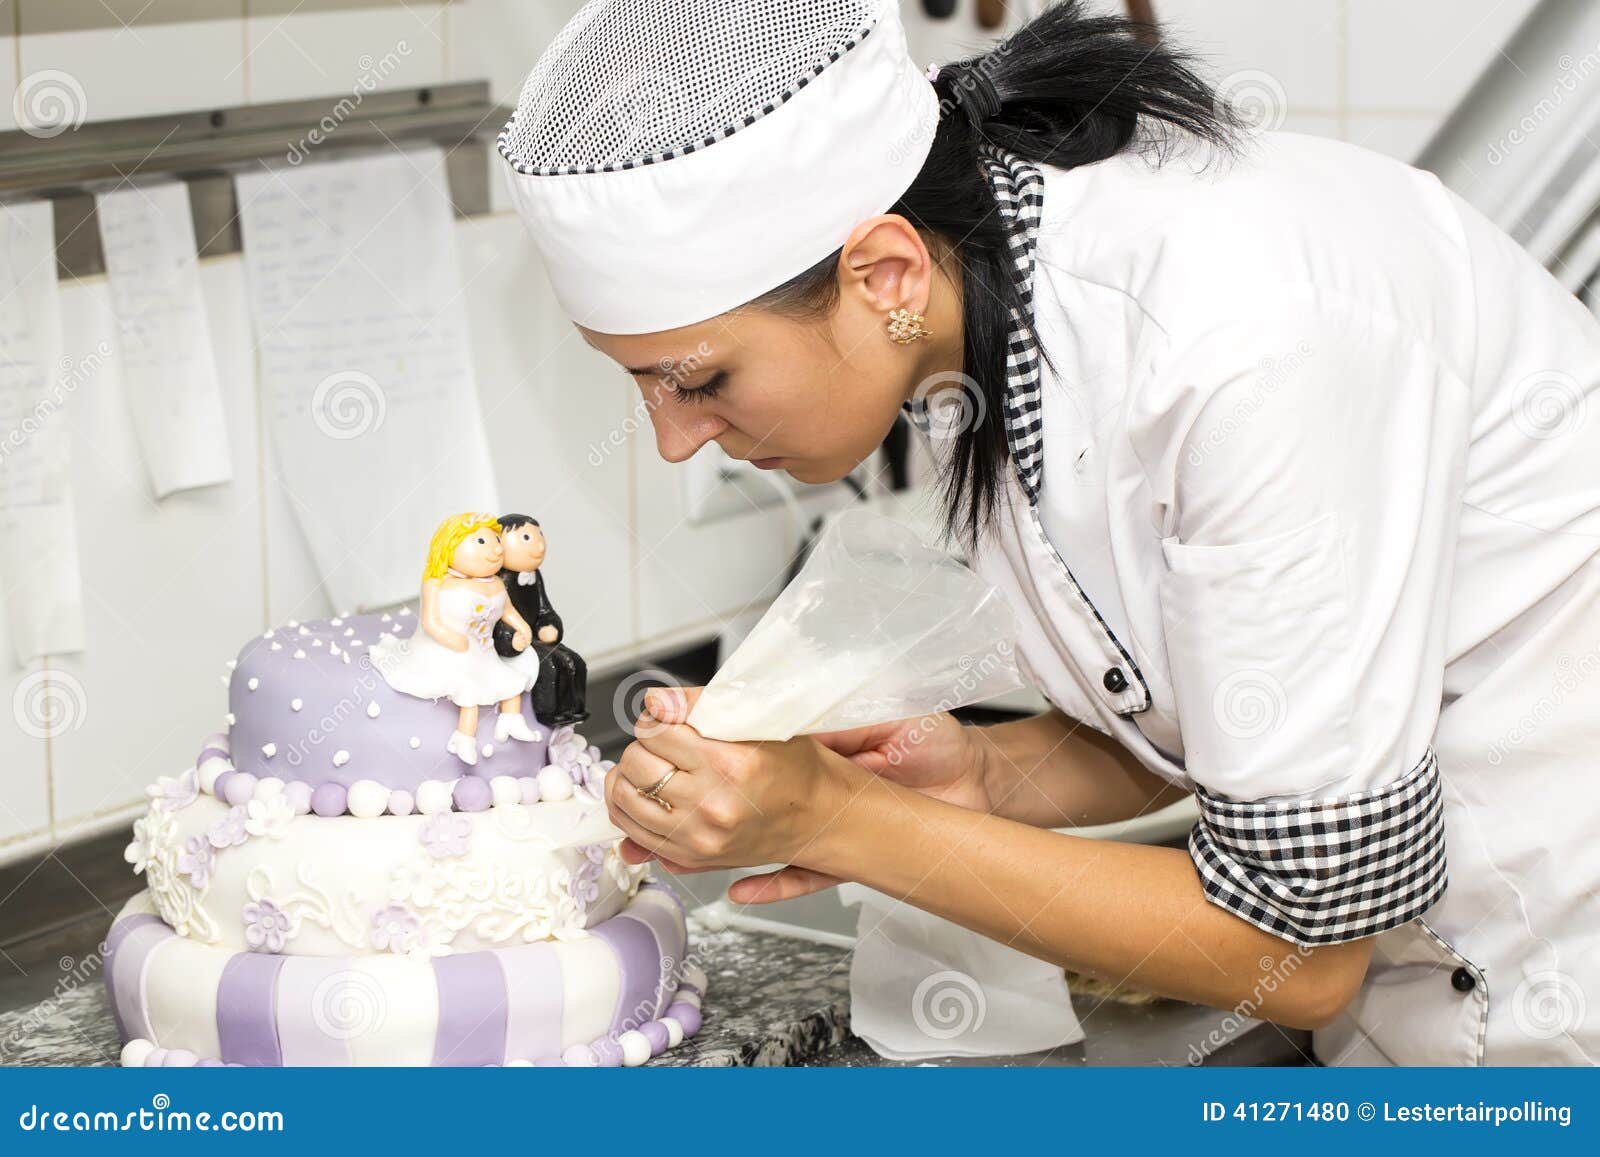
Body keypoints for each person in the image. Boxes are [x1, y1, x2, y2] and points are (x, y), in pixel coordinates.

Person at [498, 0, 1600, 1064]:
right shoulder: (968, 315)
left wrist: (838, 818)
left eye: (700, 381)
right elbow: (1238, 721)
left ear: (880, 272)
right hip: (1423, 993)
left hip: (1554, 977)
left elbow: (1296, 948)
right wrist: (982, 764)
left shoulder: (1242, 340)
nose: (676, 442)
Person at [370, 512, 539, 766]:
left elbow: (507, 610)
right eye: (481, 542)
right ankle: (463, 739)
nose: (494, 548)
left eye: (495, 539)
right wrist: (449, 637)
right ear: (449, 545)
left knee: (509, 681)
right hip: (449, 652)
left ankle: (511, 722)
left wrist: (522, 627)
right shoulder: (436, 582)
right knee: (468, 692)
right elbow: (430, 621)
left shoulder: (495, 584)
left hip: (483, 650)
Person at [493, 513, 589, 725]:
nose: (539, 546)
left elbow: (544, 607)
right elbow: (495, 619)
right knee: (550, 665)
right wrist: (509, 639)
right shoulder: (496, 583)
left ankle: (574, 708)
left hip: (534, 637)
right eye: (527, 538)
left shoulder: (535, 576)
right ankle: (549, 712)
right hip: (517, 641)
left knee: (574, 661)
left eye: (539, 536)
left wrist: (549, 623)